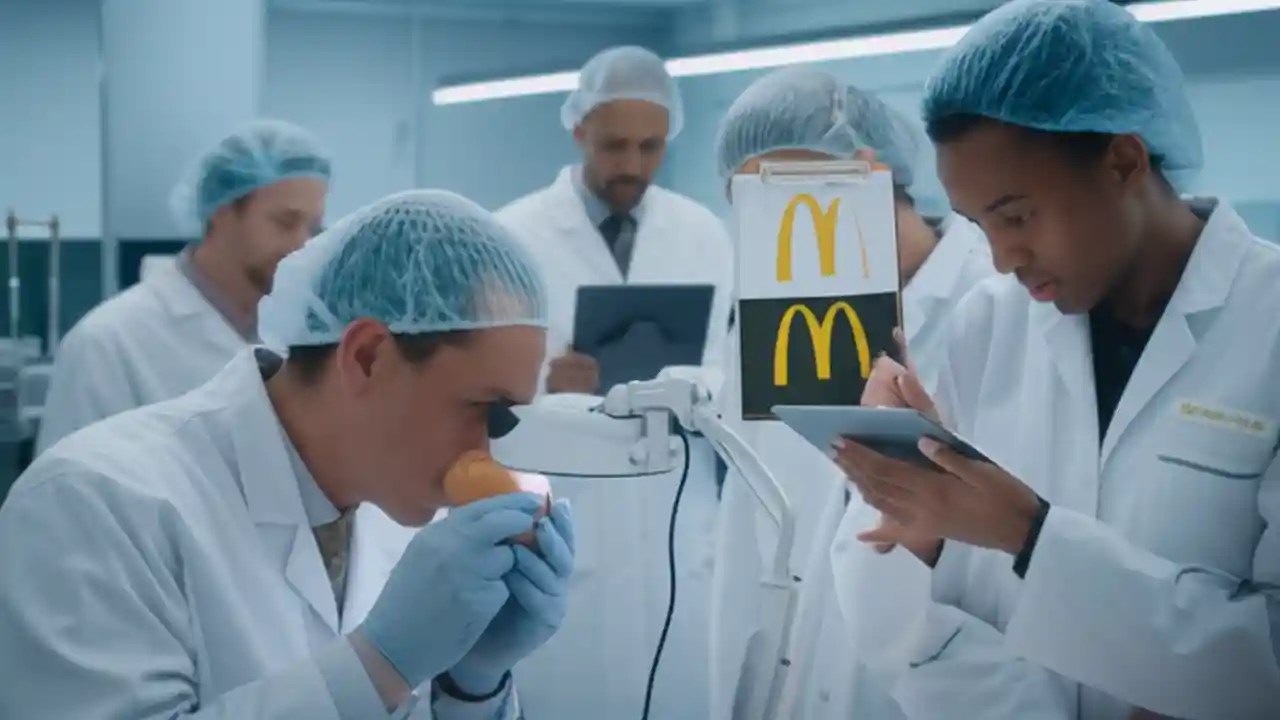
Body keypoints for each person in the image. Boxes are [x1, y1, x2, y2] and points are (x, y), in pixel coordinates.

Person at [833, 1, 1280, 718]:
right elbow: (911, 625)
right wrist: (919, 533)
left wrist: (1029, 534)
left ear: (1123, 161)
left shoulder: (1270, 327)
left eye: (1016, 216)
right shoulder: (987, 326)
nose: (1003, 258)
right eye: (982, 226)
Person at [0, 190, 576, 719]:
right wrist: (378, 666)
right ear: (369, 356)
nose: (491, 450)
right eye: (482, 409)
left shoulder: (394, 505)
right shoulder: (94, 503)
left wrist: (472, 685)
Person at [707, 65, 996, 720]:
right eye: (750, 211)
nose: (778, 233)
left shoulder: (994, 311)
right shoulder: (772, 321)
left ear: (865, 171)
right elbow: (744, 541)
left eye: (782, 196)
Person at [494, 45, 731, 719]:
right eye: (614, 144)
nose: (631, 165)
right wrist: (543, 381)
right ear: (578, 131)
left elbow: (728, 363)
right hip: (568, 507)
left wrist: (688, 385)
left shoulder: (703, 233)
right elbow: (477, 391)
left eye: (650, 147)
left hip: (675, 507)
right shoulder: (514, 234)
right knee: (567, 685)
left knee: (677, 678)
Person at [35, 119, 331, 454]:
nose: (302, 245)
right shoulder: (108, 344)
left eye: (314, 228)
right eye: (285, 222)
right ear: (221, 211)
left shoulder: (305, 337)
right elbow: (64, 492)